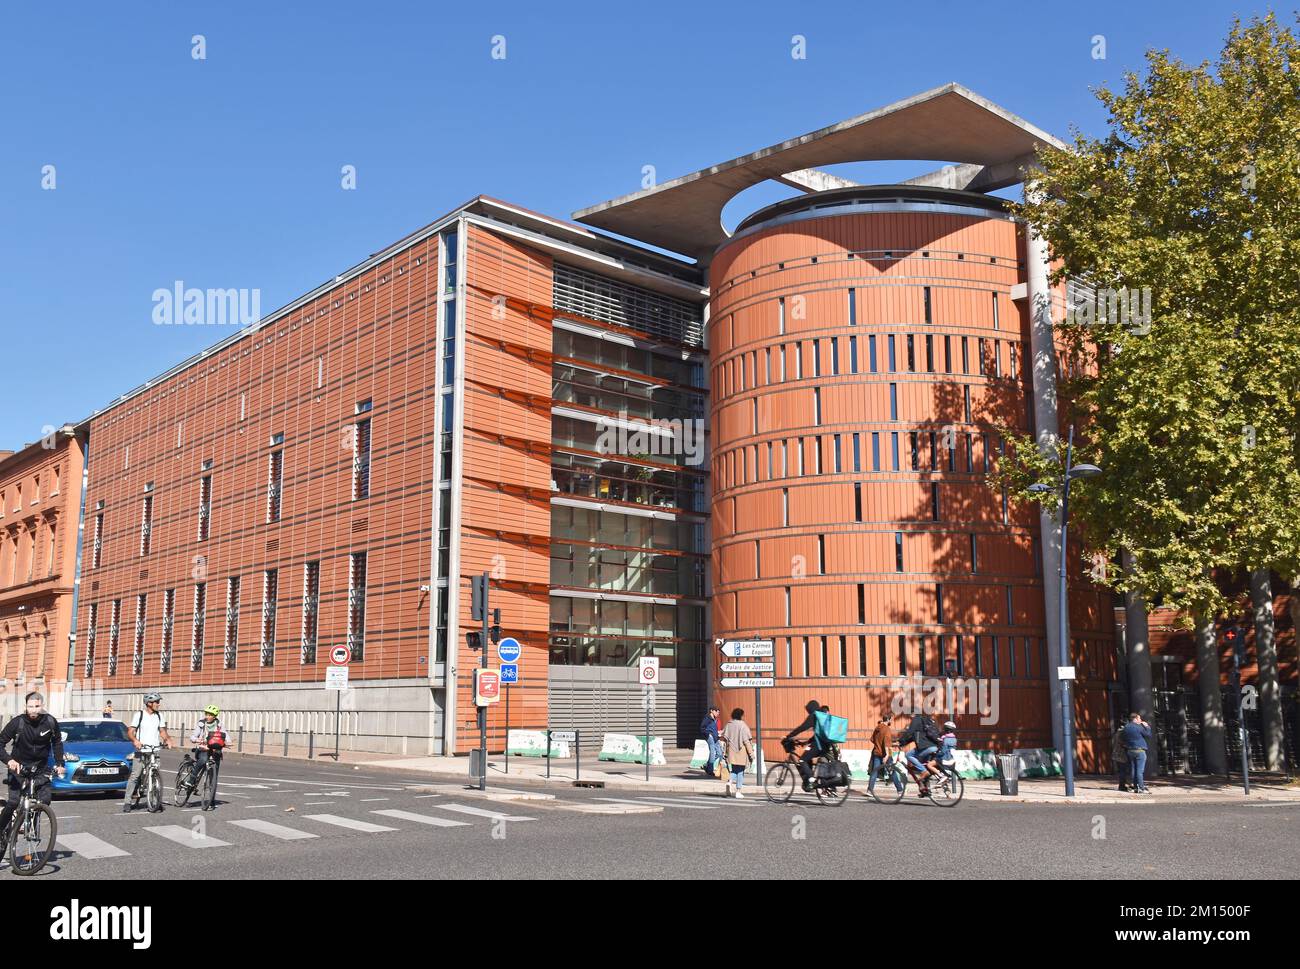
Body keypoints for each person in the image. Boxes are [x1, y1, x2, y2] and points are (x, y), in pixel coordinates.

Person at [0, 692, 66, 841]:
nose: (34, 710)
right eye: (30, 707)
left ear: (42, 706)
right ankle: (1, 829)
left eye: (37, 706)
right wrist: (9, 760)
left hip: (40, 768)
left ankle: (29, 823)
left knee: (46, 799)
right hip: (18, 767)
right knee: (13, 802)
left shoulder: (50, 722)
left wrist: (60, 763)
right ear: (25, 706)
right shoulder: (18, 723)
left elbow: (57, 743)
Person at [124, 692, 173, 813]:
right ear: (149, 703)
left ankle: (155, 801)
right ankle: (127, 801)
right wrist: (135, 740)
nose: (158, 704)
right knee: (135, 776)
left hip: (154, 750)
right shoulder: (139, 715)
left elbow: (162, 731)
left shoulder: (160, 716)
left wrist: (167, 739)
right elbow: (130, 731)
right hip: (141, 750)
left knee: (155, 775)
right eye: (156, 702)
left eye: (158, 702)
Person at [897, 711, 943, 796]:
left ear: (912, 714)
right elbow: (912, 737)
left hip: (926, 747)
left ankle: (923, 772)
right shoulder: (924, 721)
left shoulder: (916, 719)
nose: (909, 717)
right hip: (933, 746)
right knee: (923, 765)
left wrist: (899, 741)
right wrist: (902, 743)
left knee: (908, 755)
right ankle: (925, 790)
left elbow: (909, 733)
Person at [782, 699, 825, 791]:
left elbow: (802, 728)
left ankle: (811, 779)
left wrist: (788, 736)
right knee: (807, 753)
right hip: (824, 745)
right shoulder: (822, 716)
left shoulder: (814, 715)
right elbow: (818, 735)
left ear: (811, 708)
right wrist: (806, 742)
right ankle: (809, 780)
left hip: (818, 745)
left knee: (802, 760)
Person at [186, 704, 226, 793]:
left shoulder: (219, 725)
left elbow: (225, 736)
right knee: (203, 760)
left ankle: (211, 801)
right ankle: (191, 780)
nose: (207, 716)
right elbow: (192, 737)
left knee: (214, 777)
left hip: (215, 750)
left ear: (215, 716)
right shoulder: (201, 724)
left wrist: (227, 742)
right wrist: (197, 739)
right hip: (202, 749)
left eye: (210, 715)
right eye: (206, 714)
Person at [867, 713, 903, 797]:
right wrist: (886, 755)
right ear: (889, 720)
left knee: (874, 772)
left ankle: (869, 790)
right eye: (891, 720)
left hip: (876, 752)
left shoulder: (877, 727)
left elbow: (872, 739)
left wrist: (878, 745)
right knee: (892, 771)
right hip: (885, 754)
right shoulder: (886, 729)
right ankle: (900, 790)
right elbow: (886, 744)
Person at [721, 708, 754, 798]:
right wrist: (751, 753)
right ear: (741, 715)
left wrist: (725, 752)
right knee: (740, 771)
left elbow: (725, 738)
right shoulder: (743, 726)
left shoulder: (729, 724)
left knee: (734, 769)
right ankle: (738, 791)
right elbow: (746, 741)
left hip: (731, 751)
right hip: (741, 752)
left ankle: (730, 781)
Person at [1121, 712, 1152, 794]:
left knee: (1133, 770)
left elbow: (1123, 738)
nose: (1141, 720)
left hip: (1130, 750)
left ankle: (1135, 787)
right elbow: (1148, 735)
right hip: (1140, 750)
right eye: (1139, 718)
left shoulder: (1126, 727)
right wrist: (1147, 726)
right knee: (1139, 771)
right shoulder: (1138, 727)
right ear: (1135, 719)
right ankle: (1141, 788)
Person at [700, 706, 723, 777]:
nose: (717, 713)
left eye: (718, 712)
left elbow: (714, 729)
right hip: (710, 738)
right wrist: (708, 734)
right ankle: (710, 770)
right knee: (712, 753)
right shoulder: (707, 718)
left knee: (720, 753)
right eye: (716, 711)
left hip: (716, 738)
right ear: (712, 711)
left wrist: (719, 733)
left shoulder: (714, 719)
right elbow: (702, 728)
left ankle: (707, 765)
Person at [1111, 723, 1130, 792]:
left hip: (1117, 754)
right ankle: (1122, 786)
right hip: (1121, 755)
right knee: (1123, 771)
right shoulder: (1121, 733)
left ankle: (1122, 785)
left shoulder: (1118, 733)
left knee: (1122, 770)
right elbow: (1122, 743)